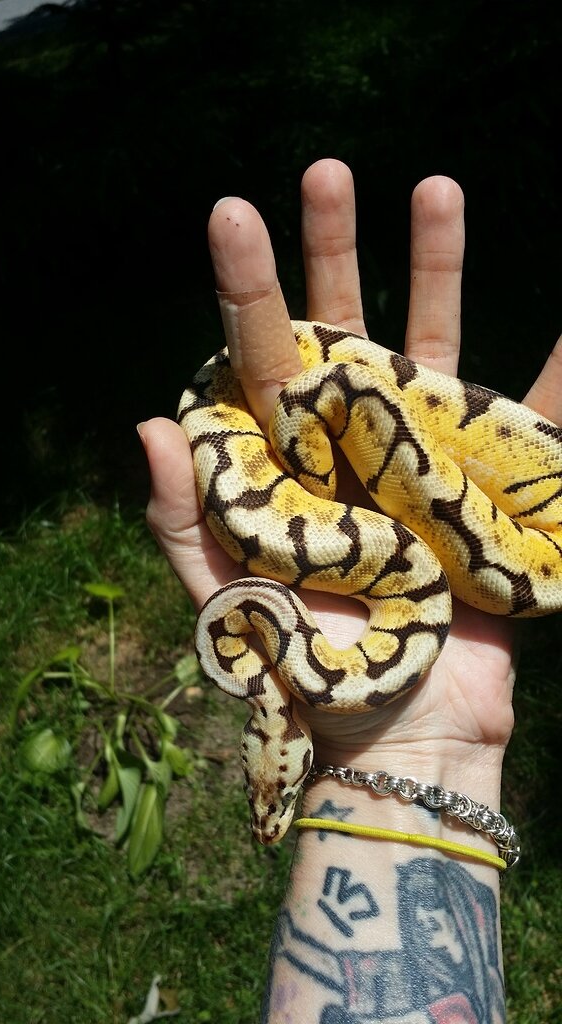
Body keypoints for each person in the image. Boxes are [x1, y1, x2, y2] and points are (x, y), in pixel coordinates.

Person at [137, 160, 562, 1023]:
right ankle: (347, 408)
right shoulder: (303, 654)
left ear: (281, 737)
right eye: (283, 794)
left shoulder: (285, 655)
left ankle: (346, 408)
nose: (280, 804)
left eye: (280, 794)